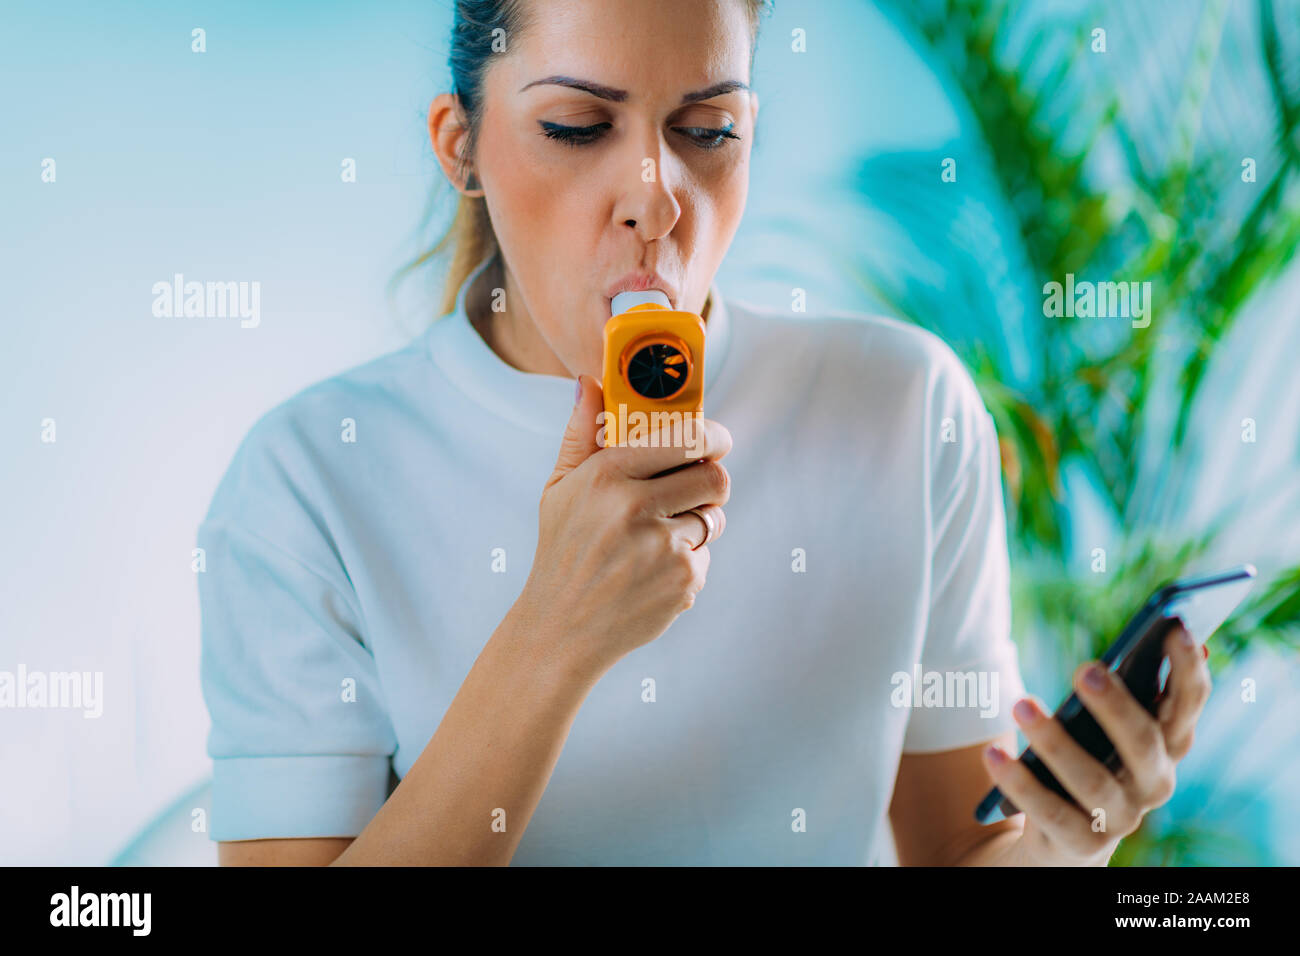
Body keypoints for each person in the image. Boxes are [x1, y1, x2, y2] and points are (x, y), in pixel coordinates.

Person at [199, 0, 1212, 866]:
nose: (653, 194)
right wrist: (553, 634)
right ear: (460, 144)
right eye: (575, 126)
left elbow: (958, 849)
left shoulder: (900, 407)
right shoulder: (308, 477)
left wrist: (1065, 837)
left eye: (706, 130)